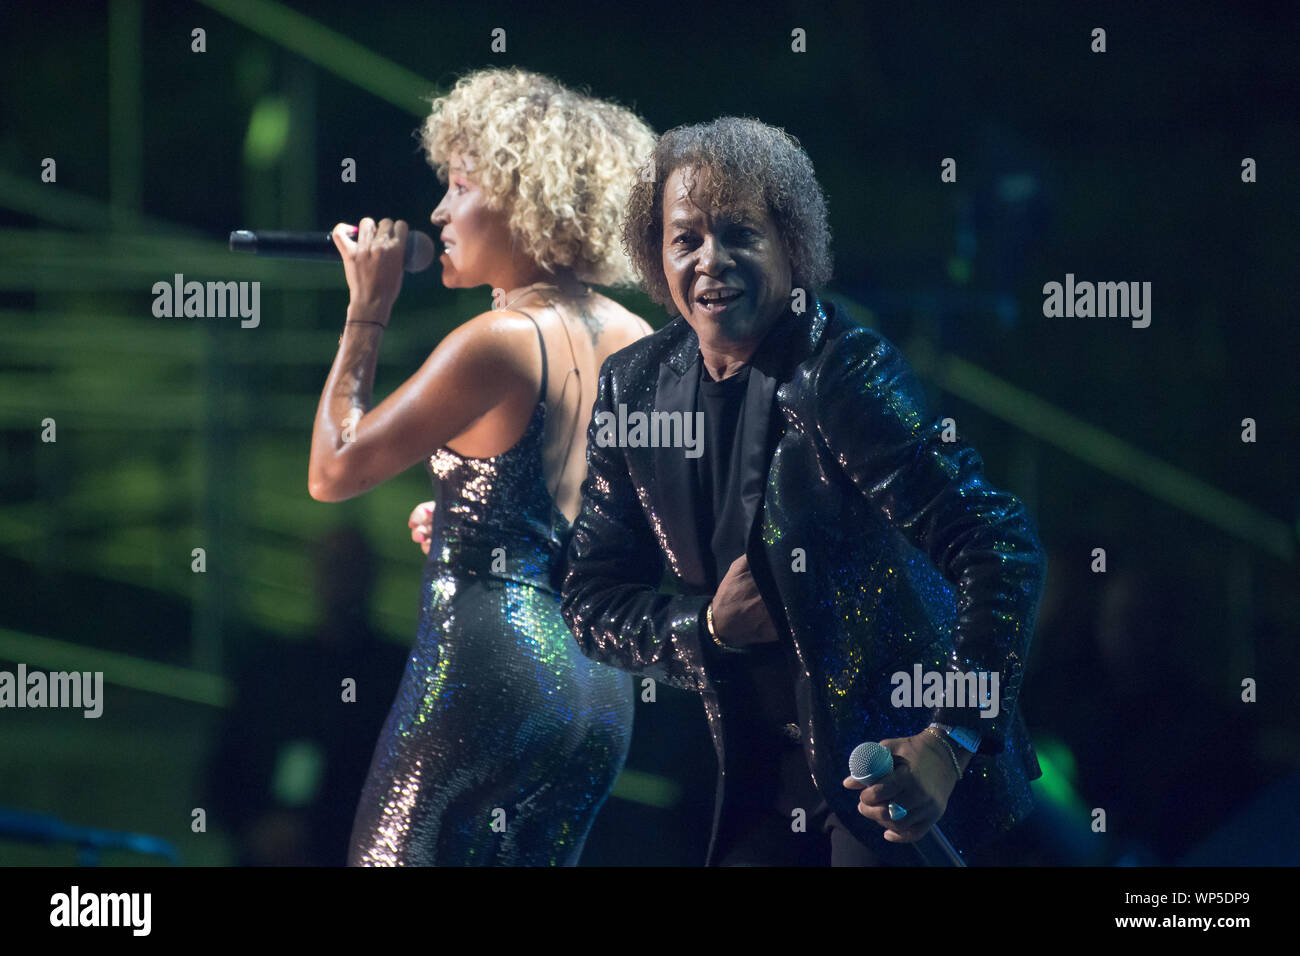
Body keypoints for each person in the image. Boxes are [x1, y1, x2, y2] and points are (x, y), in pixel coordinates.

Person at [559, 117, 1047, 866]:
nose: (710, 261)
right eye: (685, 239)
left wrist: (949, 740)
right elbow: (590, 598)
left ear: (792, 243)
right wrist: (708, 630)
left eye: (739, 234)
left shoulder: (843, 372)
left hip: (889, 772)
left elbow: (998, 545)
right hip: (748, 776)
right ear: (657, 257)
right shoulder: (633, 387)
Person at [307, 68, 655, 865]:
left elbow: (333, 469)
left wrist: (367, 309)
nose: (437, 213)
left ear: (528, 202)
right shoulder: (643, 341)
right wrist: (484, 521)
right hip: (599, 687)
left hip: (490, 665)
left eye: (460, 186)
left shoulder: (496, 341)